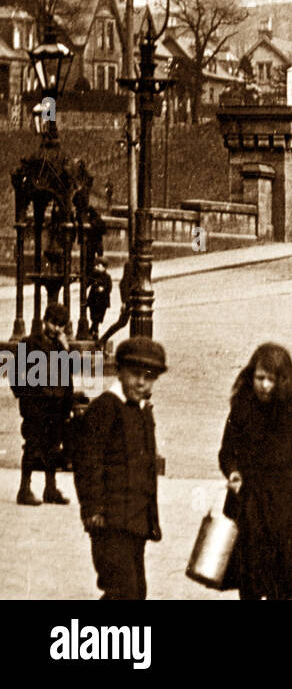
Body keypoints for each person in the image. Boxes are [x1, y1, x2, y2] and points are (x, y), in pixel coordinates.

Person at [218, 343, 292, 600]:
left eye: (271, 379)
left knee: (284, 577)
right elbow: (226, 452)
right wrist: (232, 473)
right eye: (259, 378)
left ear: (282, 381)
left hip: (284, 503)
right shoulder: (240, 409)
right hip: (248, 502)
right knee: (249, 577)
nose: (264, 385)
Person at [73, 336, 167, 600]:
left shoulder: (142, 410)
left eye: (149, 377)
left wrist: (150, 517)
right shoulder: (105, 408)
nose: (141, 382)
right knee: (121, 590)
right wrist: (92, 508)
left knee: (136, 591)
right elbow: (87, 461)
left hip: (135, 521)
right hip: (109, 521)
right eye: (135, 374)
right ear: (119, 371)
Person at [11, 302, 75, 506]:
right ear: (45, 321)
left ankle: (50, 488)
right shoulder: (29, 343)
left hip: (56, 404)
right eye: (54, 323)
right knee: (33, 446)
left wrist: (66, 350)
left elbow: (68, 375)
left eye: (61, 325)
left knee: (53, 447)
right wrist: (26, 397)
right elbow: (16, 374)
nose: (57, 328)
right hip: (36, 404)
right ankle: (24, 489)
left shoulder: (60, 346)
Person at [96, 256, 140, 347]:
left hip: (138, 298)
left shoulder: (141, 263)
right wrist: (124, 301)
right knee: (122, 322)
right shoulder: (130, 264)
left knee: (125, 323)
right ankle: (102, 340)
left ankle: (103, 340)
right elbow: (123, 284)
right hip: (131, 299)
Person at [86, 260, 114, 342]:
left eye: (98, 266)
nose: (96, 267)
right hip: (93, 300)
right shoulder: (93, 275)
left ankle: (93, 330)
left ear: (104, 267)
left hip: (102, 301)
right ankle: (94, 330)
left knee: (99, 316)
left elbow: (109, 287)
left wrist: (103, 289)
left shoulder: (107, 277)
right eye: (95, 265)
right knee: (93, 315)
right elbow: (87, 283)